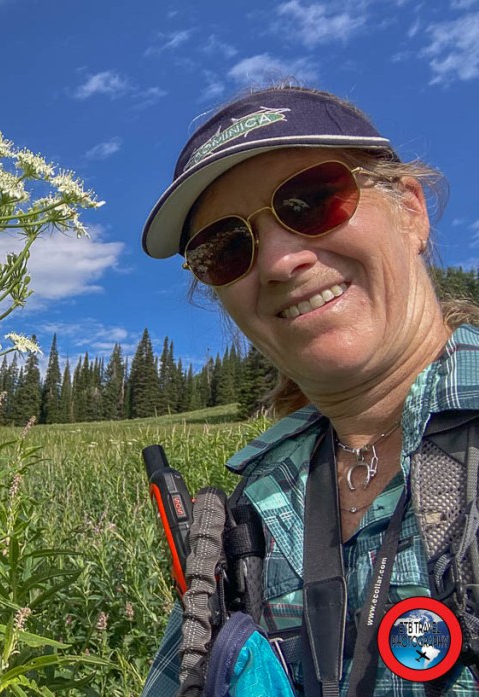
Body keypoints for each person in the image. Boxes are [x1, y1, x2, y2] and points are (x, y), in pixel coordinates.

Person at [138, 84, 479, 695]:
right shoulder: (247, 508)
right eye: (226, 248)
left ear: (410, 210)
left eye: (312, 200)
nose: (277, 261)